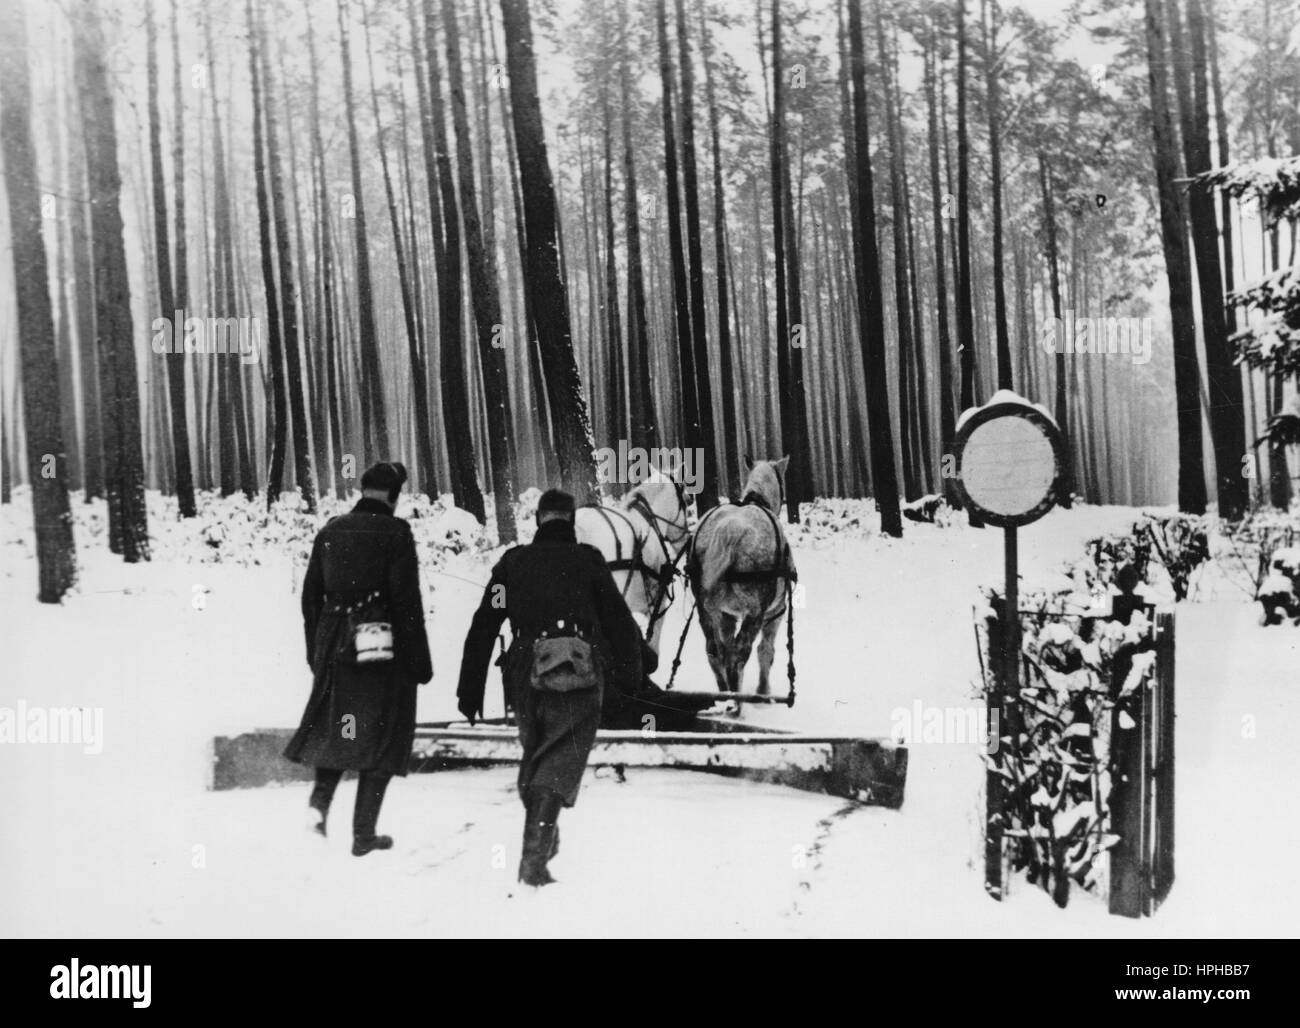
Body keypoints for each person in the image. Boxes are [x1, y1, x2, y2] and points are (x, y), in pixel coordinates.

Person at [456, 488, 643, 887]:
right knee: (561, 757)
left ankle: (541, 840)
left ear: (538, 520)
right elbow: (617, 619)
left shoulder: (512, 563)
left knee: (537, 752)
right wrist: (635, 671)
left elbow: (485, 622)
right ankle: (534, 858)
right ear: (571, 522)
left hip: (524, 670)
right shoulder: (588, 561)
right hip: (577, 665)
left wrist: (469, 689)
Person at [285, 461, 433, 856]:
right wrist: (420, 661)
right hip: (380, 648)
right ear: (394, 495)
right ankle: (363, 833)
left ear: (364, 490)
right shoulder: (396, 532)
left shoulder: (331, 529)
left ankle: (318, 808)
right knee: (384, 733)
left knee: (341, 726)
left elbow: (310, 597)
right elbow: (407, 603)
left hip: (335, 643)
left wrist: (317, 651)